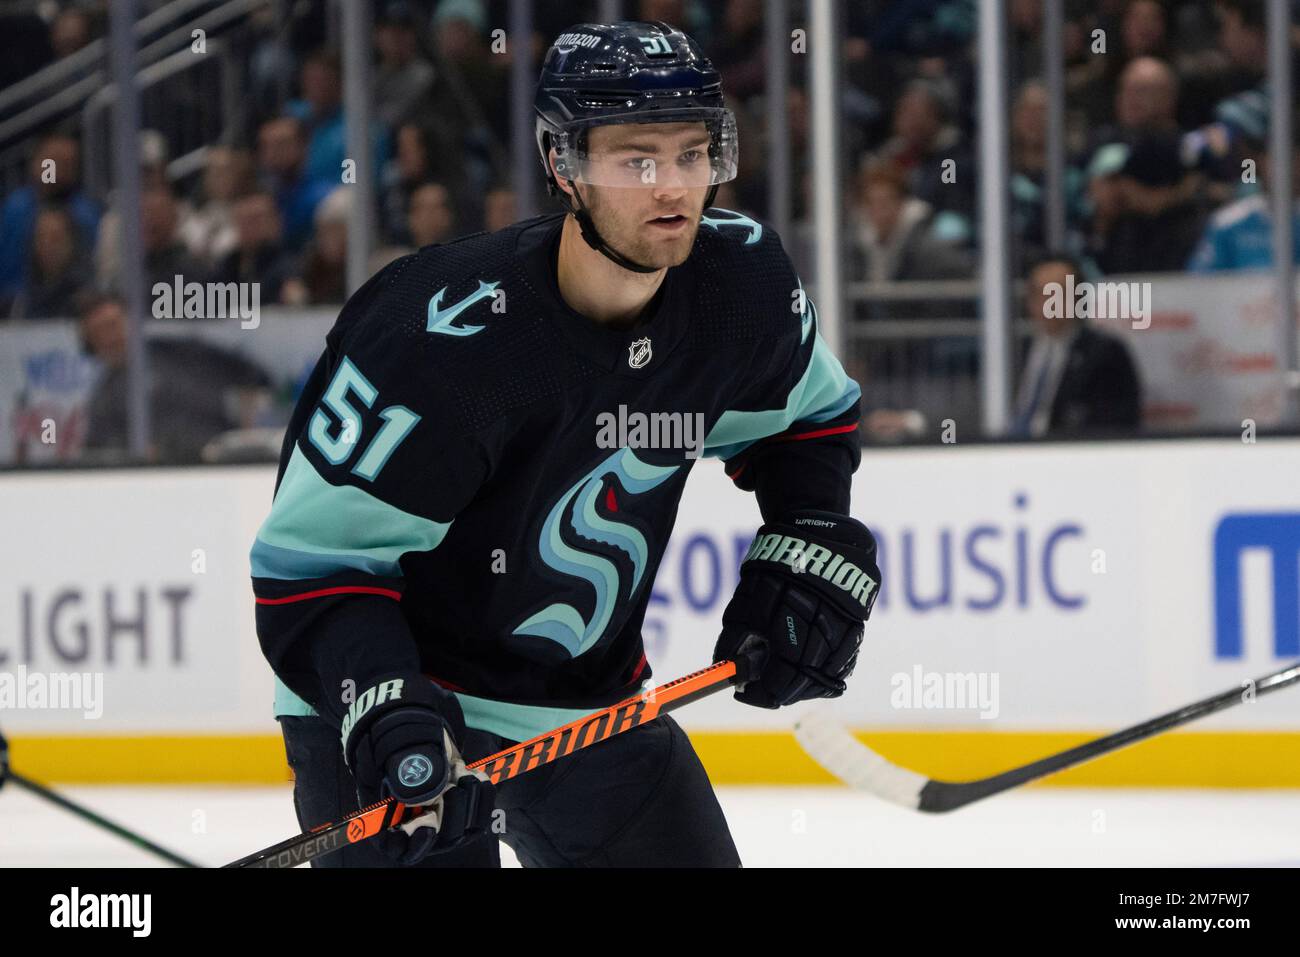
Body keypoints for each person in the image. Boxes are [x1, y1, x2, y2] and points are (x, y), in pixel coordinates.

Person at [251, 21, 880, 869]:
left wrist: (808, 529)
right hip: (399, 702)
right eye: (637, 158)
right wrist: (388, 705)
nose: (674, 186)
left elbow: (810, 419)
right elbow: (311, 569)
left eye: (694, 153)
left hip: (591, 709)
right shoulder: (435, 338)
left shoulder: (742, 286)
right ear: (563, 165)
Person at [1011, 254, 1142, 438]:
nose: (1048, 304)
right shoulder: (1018, 351)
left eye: (1057, 294)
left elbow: (1115, 425)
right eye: (1039, 293)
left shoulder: (1105, 353)